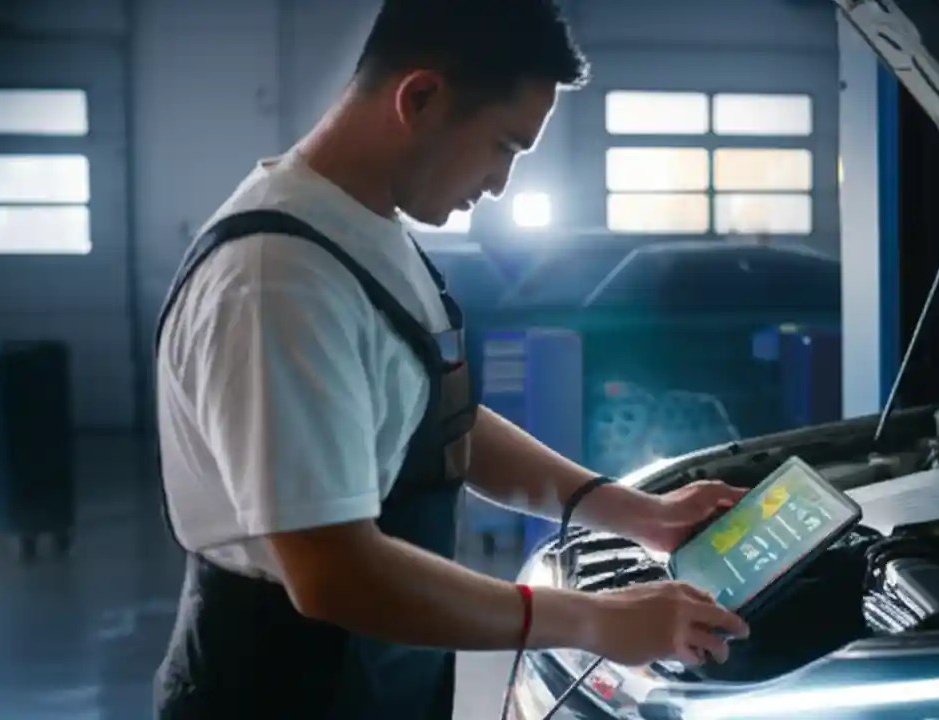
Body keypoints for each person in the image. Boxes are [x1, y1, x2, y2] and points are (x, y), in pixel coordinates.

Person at [152, 1, 750, 718]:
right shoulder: (277, 282)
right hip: (279, 688)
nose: (500, 185)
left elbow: (434, 415)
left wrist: (637, 515)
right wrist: (592, 619)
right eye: (504, 146)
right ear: (421, 97)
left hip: (373, 670)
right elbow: (333, 574)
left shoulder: (363, 227)